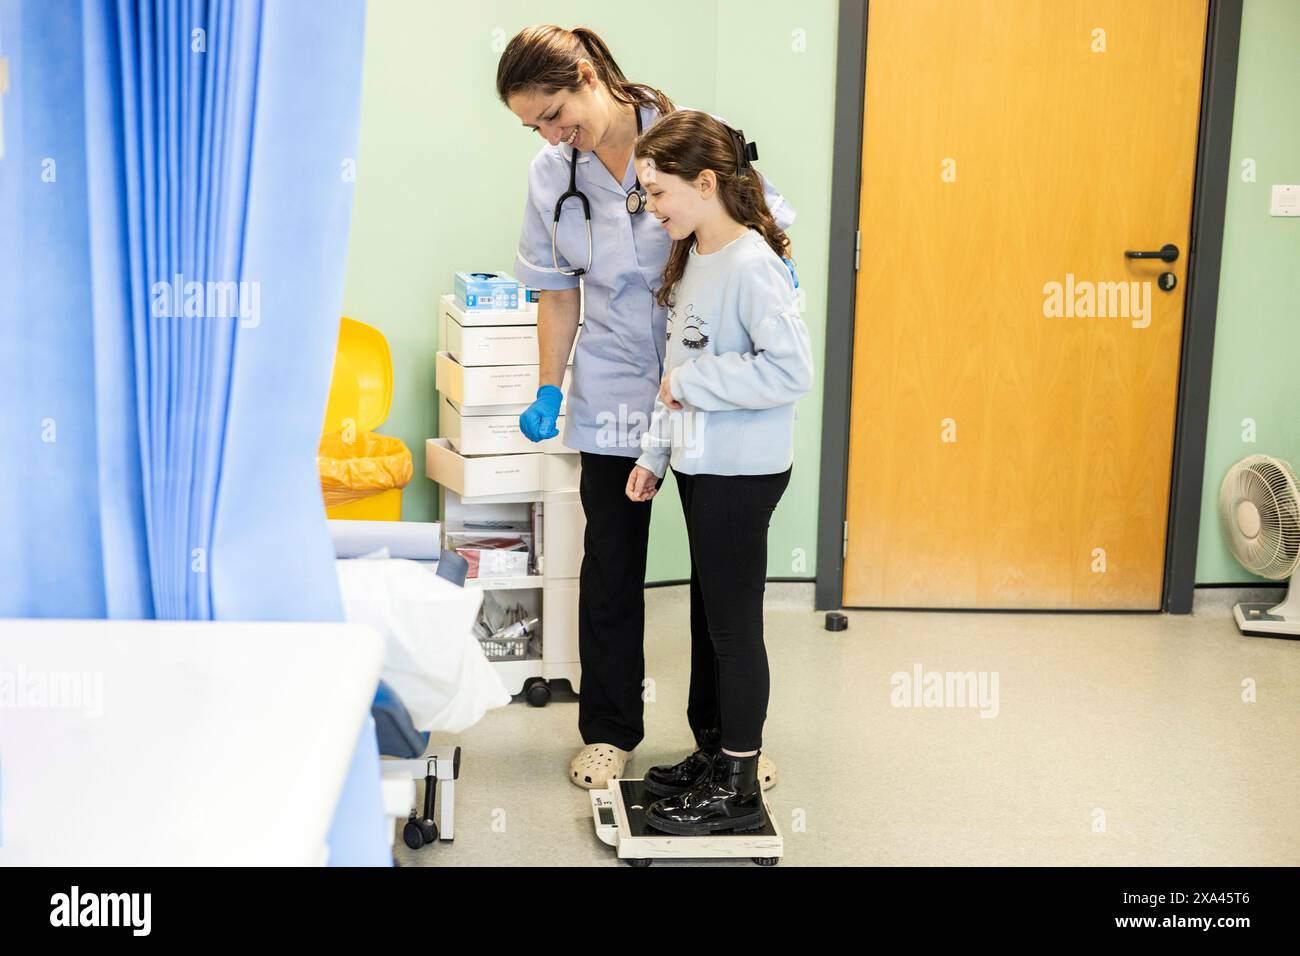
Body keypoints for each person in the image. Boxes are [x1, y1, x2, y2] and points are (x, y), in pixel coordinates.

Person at [496, 25, 795, 790]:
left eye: (557, 111)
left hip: (702, 386)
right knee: (611, 566)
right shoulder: (548, 174)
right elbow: (558, 294)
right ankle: (609, 731)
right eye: (536, 124)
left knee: (716, 577)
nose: (553, 132)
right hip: (615, 387)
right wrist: (550, 385)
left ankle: (728, 743)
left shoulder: (690, 136)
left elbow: (761, 230)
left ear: (591, 75)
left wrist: (762, 327)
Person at [623, 109, 813, 833]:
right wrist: (655, 455)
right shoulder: (698, 254)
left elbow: (791, 371)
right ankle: (715, 756)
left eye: (659, 192)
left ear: (705, 183)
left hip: (744, 472)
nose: (652, 207)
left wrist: (698, 384)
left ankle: (739, 780)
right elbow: (677, 369)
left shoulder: (754, 264)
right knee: (709, 621)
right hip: (704, 466)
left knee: (732, 629)